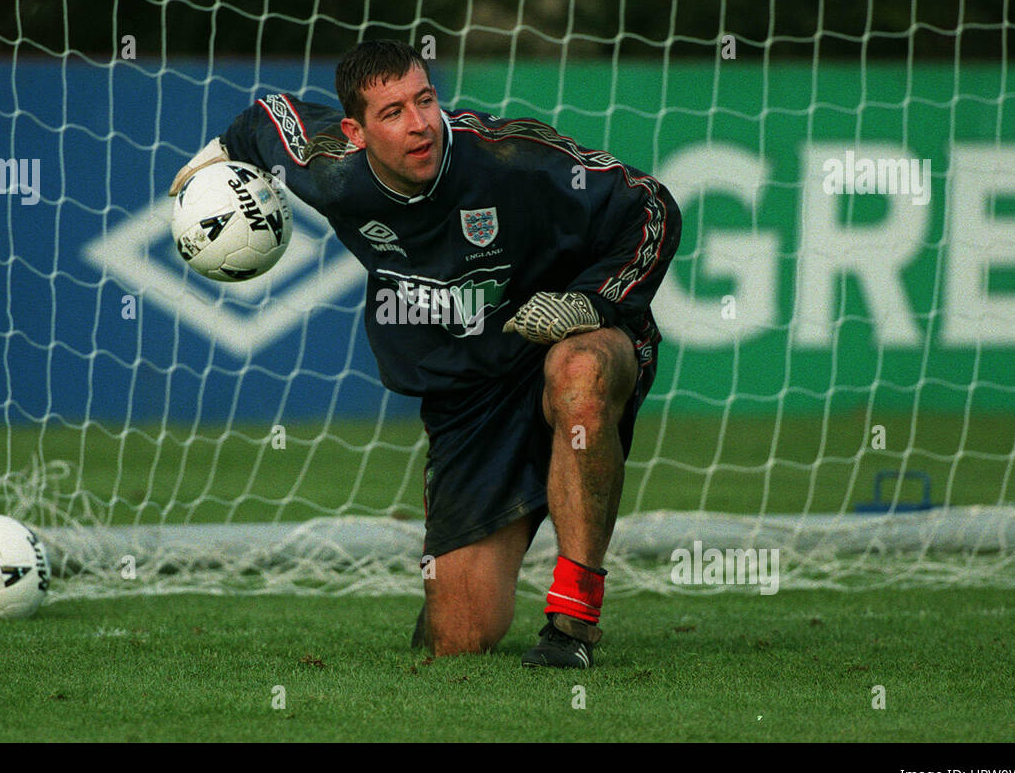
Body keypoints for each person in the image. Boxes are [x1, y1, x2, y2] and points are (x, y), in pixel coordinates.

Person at [169, 40, 681, 668]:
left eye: (426, 100)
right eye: (392, 113)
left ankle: (572, 624)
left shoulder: (513, 157)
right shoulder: (329, 167)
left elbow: (652, 203)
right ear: (354, 132)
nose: (418, 124)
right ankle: (465, 567)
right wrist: (211, 162)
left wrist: (591, 303)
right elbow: (264, 119)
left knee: (579, 375)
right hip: (468, 397)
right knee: (460, 640)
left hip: (569, 337)